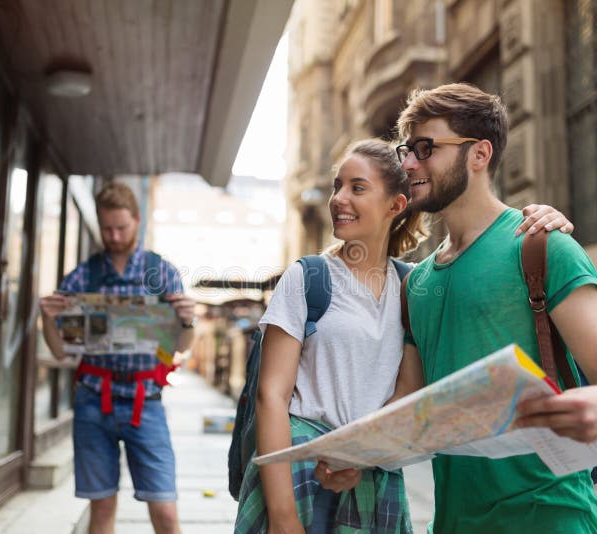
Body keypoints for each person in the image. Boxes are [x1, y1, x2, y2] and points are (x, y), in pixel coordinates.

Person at [234, 139, 573, 533]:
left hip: (373, 475)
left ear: (395, 205)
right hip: (297, 479)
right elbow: (270, 396)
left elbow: (407, 393)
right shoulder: (307, 277)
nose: (339, 198)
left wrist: (545, 221)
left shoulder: (415, 287)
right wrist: (283, 517)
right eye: (337, 186)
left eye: (357, 188)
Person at [396, 83, 597, 533]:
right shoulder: (416, 285)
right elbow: (407, 408)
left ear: (479, 154)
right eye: (406, 151)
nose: (410, 163)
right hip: (452, 523)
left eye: (425, 148)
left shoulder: (542, 246)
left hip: (551, 516)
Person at [39, 182, 195, 534]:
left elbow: (180, 346)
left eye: (121, 227)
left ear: (137, 221)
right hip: (94, 401)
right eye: (107, 228)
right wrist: (47, 319)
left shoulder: (162, 273)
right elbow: (61, 350)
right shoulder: (83, 276)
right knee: (102, 508)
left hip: (146, 401)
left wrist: (188, 319)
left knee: (165, 511)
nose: (113, 235)